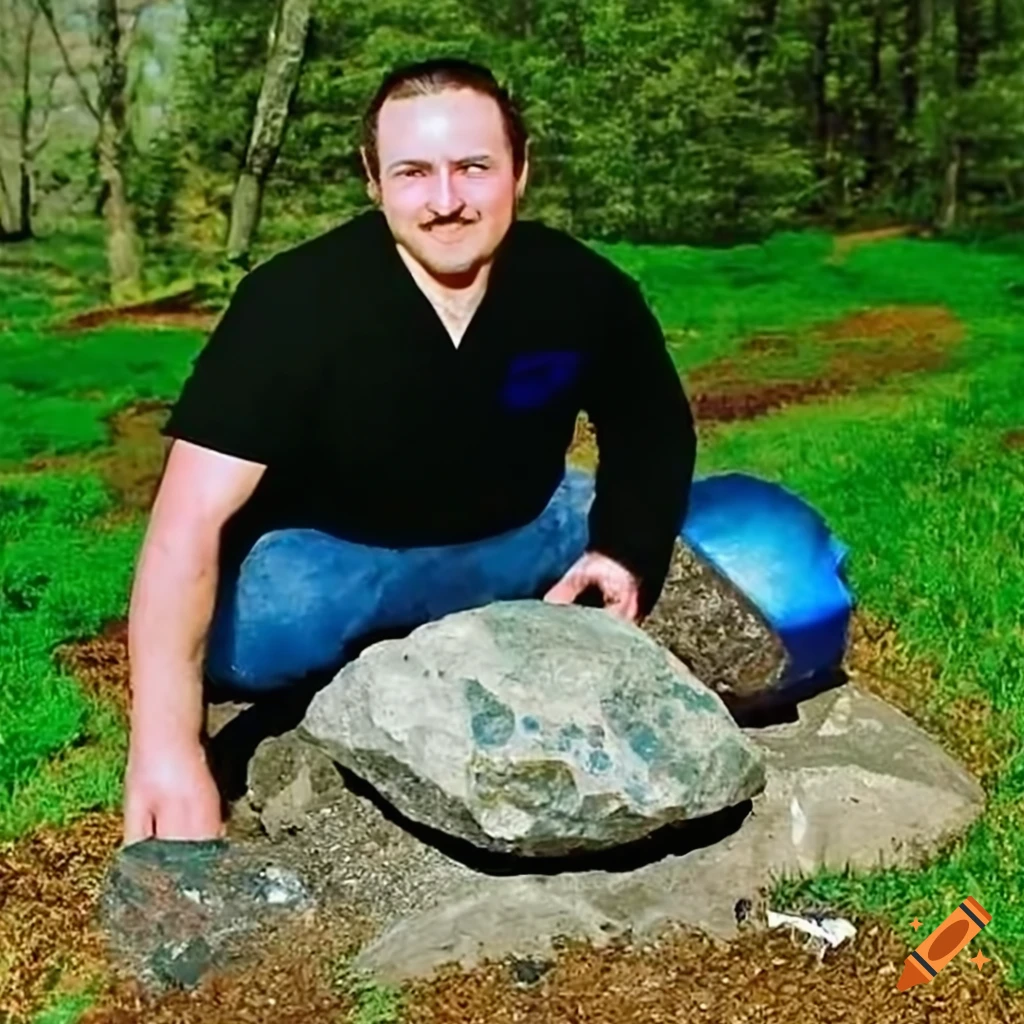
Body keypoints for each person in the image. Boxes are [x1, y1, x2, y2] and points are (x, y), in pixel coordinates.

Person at [122, 57, 696, 846]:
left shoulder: (584, 289)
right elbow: (185, 520)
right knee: (255, 640)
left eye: (474, 168)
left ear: (520, 171)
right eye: (414, 172)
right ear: (372, 178)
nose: (447, 201)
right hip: (328, 570)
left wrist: (625, 551)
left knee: (711, 526)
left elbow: (654, 426)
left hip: (518, 536)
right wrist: (164, 748)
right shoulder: (293, 303)